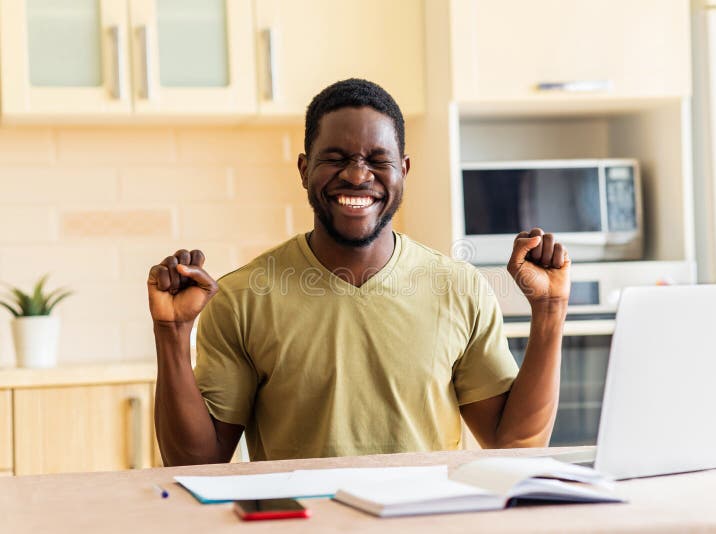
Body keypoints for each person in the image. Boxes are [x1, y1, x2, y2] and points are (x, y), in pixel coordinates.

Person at [148, 79, 570, 466]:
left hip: (425, 516)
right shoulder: (241, 298)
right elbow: (195, 464)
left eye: (377, 159)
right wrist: (172, 333)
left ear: (404, 171)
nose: (356, 174)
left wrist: (550, 311)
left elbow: (516, 447)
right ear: (303, 170)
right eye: (335, 158)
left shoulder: (459, 289)